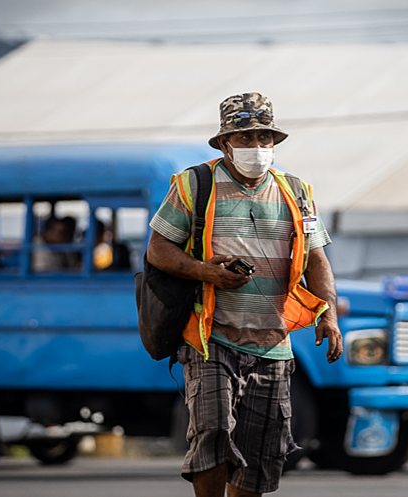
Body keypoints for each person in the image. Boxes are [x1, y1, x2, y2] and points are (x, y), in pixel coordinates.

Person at [146, 92, 343, 497]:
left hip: (273, 345)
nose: (257, 146)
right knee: (214, 434)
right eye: (245, 137)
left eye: (264, 138)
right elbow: (158, 249)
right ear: (224, 144)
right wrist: (205, 271)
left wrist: (329, 316)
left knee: (260, 456)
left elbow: (316, 259)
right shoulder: (194, 185)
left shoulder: (296, 192)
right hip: (211, 339)